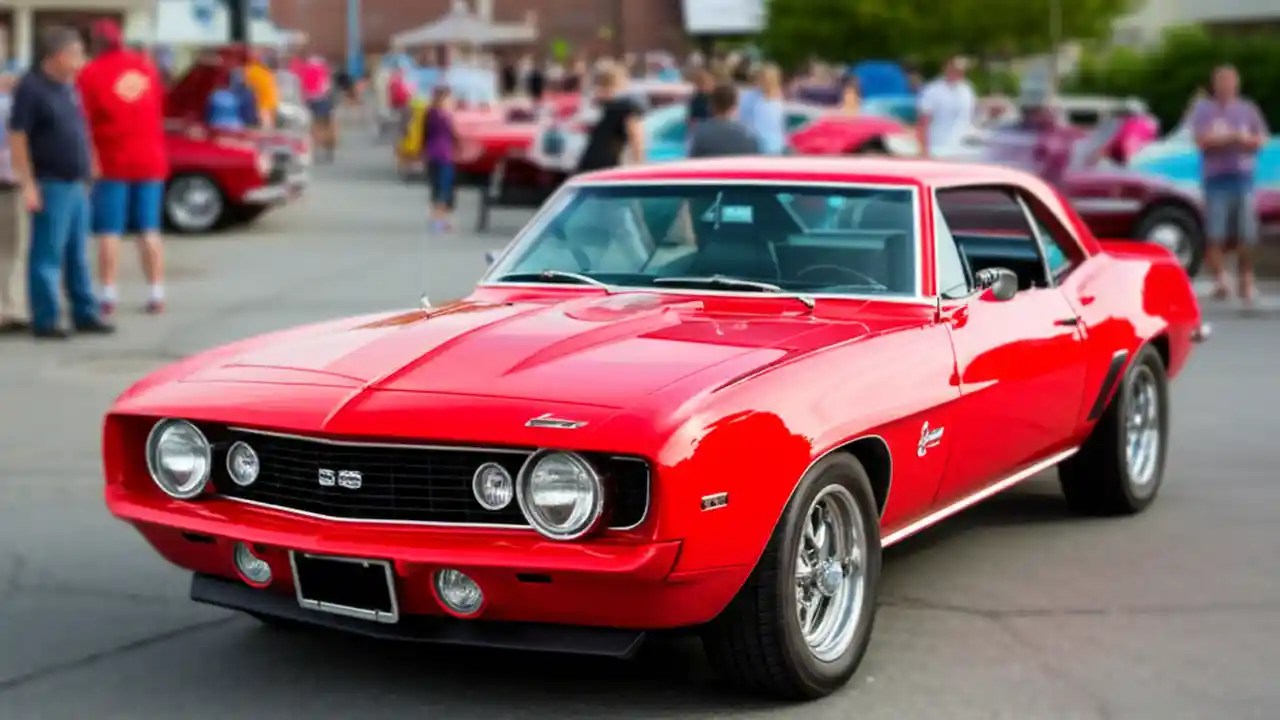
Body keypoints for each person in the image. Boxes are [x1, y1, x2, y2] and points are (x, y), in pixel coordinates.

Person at [6, 27, 113, 339]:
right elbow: (18, 136)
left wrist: (91, 159)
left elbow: (79, 127)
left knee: (77, 253)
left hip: (76, 182)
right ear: (58, 56)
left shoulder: (68, 87)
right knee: (48, 253)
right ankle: (47, 318)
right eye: (76, 54)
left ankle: (84, 312)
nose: (81, 61)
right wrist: (27, 183)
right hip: (50, 182)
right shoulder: (32, 89)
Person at [77, 19, 168, 316]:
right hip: (150, 159)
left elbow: (83, 122)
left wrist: (89, 160)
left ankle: (108, 293)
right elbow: (157, 108)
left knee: (109, 231)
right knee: (149, 229)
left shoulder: (90, 74)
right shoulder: (145, 68)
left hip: (112, 161)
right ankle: (156, 291)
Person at [1189, 64, 1269, 307]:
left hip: (1243, 178)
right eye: (1220, 81)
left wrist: (1244, 140)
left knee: (1247, 233)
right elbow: (1200, 141)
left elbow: (1261, 139)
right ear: (1214, 85)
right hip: (1215, 179)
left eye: (1229, 81)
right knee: (1215, 233)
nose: (1225, 86)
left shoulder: (1247, 109)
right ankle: (1221, 279)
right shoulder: (1204, 110)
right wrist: (1228, 139)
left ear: (1236, 84)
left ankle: (1246, 279)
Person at [0, 70, 29, 332]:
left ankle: (11, 307)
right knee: (12, 250)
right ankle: (10, 309)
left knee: (12, 250)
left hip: (10, 183)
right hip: (9, 182)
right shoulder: (9, 106)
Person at [576, 64, 644, 173]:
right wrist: (639, 164)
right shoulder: (627, 107)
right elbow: (636, 139)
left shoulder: (597, 106)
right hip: (609, 165)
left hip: (588, 164)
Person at [917, 56, 977, 157]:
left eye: (960, 70)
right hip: (938, 148)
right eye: (953, 69)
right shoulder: (932, 90)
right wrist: (924, 149)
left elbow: (970, 117)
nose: (957, 73)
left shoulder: (967, 89)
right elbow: (923, 121)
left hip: (964, 149)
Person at [422, 85, 458, 233]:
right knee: (444, 189)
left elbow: (425, 134)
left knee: (436, 189)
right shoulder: (445, 116)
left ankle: (436, 220)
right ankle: (440, 221)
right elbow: (454, 135)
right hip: (444, 155)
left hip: (432, 153)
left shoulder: (429, 113)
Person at [688, 83, 759, 158]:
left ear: (711, 106)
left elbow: (693, 160)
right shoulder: (749, 135)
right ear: (735, 106)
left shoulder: (699, 133)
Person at [742, 63, 786, 155]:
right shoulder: (750, 97)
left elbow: (780, 126)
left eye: (769, 78)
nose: (766, 81)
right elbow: (743, 120)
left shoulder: (778, 100)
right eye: (763, 77)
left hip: (774, 148)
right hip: (753, 145)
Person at [244, 50, 279, 129]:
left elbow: (248, 88)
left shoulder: (251, 71)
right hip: (269, 106)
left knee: (265, 130)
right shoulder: (265, 73)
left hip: (263, 107)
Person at [686, 69, 714, 133]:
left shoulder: (713, 98)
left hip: (708, 124)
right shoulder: (695, 99)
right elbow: (691, 117)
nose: (702, 86)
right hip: (700, 124)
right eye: (700, 84)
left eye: (703, 84)